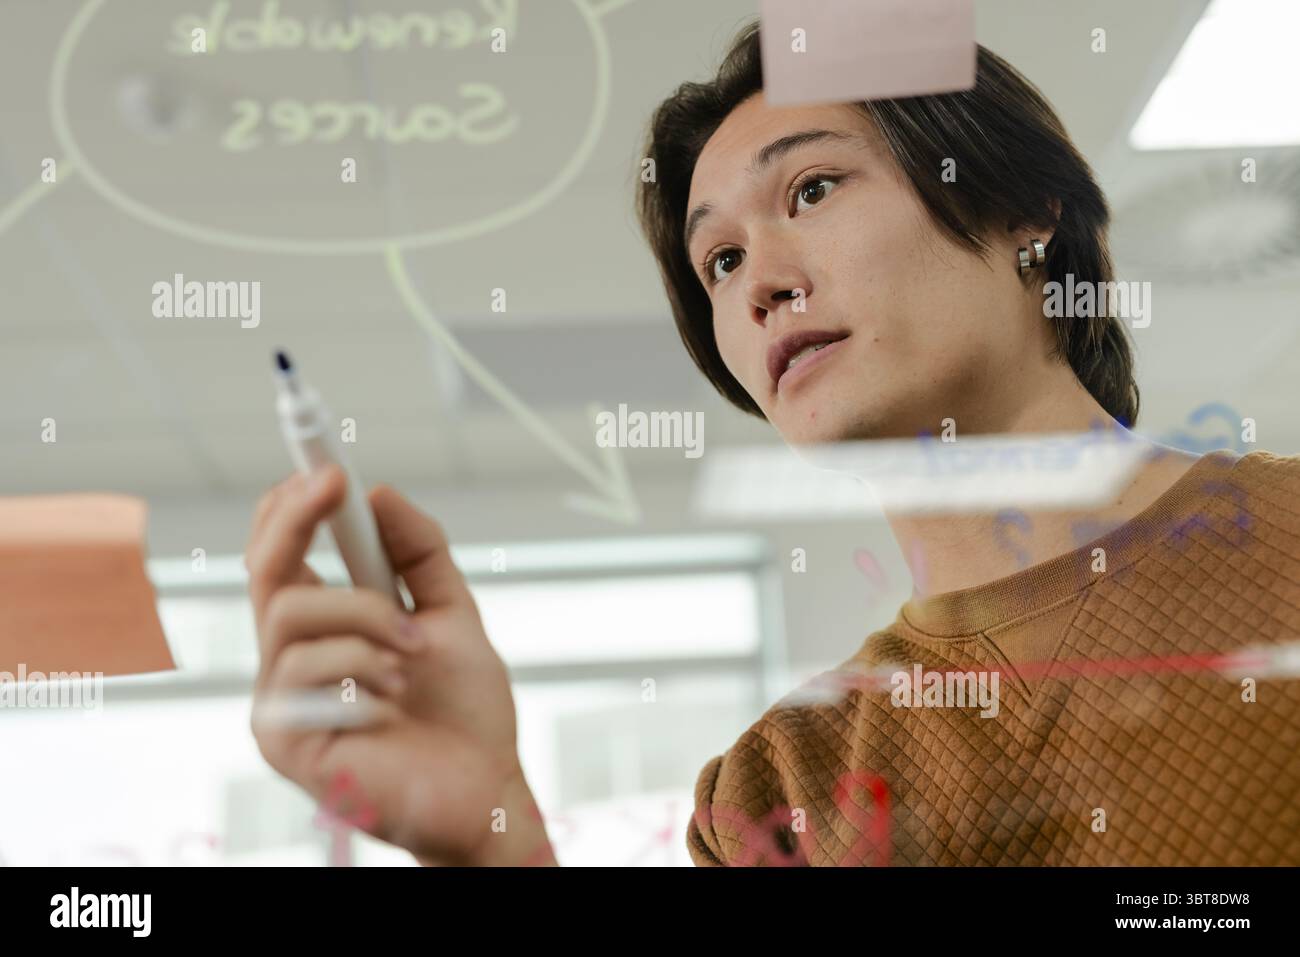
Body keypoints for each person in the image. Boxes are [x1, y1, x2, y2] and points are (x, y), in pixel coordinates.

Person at [244, 20, 1300, 866]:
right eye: (719, 261)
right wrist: (494, 838)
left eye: (812, 189)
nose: (759, 284)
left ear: (1027, 211)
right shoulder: (776, 794)